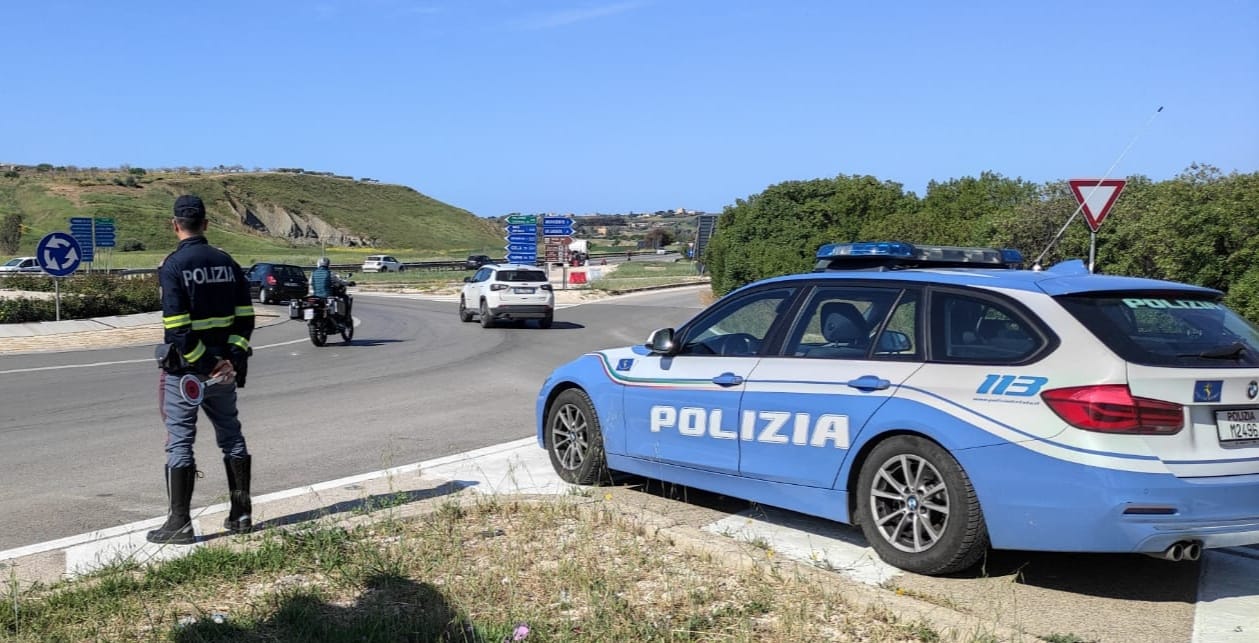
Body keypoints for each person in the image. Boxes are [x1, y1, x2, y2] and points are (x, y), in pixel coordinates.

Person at [147, 195, 255, 545]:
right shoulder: (228, 261)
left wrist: (205, 363)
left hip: (187, 374)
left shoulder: (173, 265)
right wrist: (230, 360)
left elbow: (178, 329)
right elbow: (246, 319)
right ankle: (241, 516)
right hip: (224, 371)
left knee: (180, 443)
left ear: (174, 224)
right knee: (232, 437)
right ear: (206, 224)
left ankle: (179, 523)